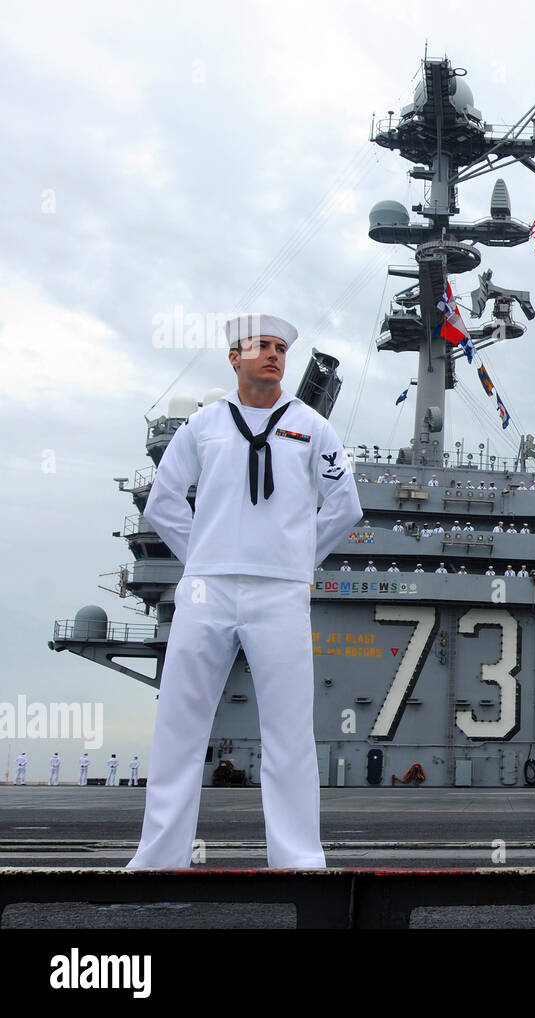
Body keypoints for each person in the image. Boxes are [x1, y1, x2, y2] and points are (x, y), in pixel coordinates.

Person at [127, 313, 361, 870]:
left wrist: (296, 559)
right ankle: (158, 860)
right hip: (207, 590)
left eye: (282, 347)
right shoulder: (204, 425)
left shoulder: (312, 427)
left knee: (289, 734)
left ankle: (299, 860)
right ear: (234, 357)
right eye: (262, 346)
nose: (274, 355)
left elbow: (345, 505)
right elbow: (163, 504)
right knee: (179, 729)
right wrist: (205, 558)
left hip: (279, 594)